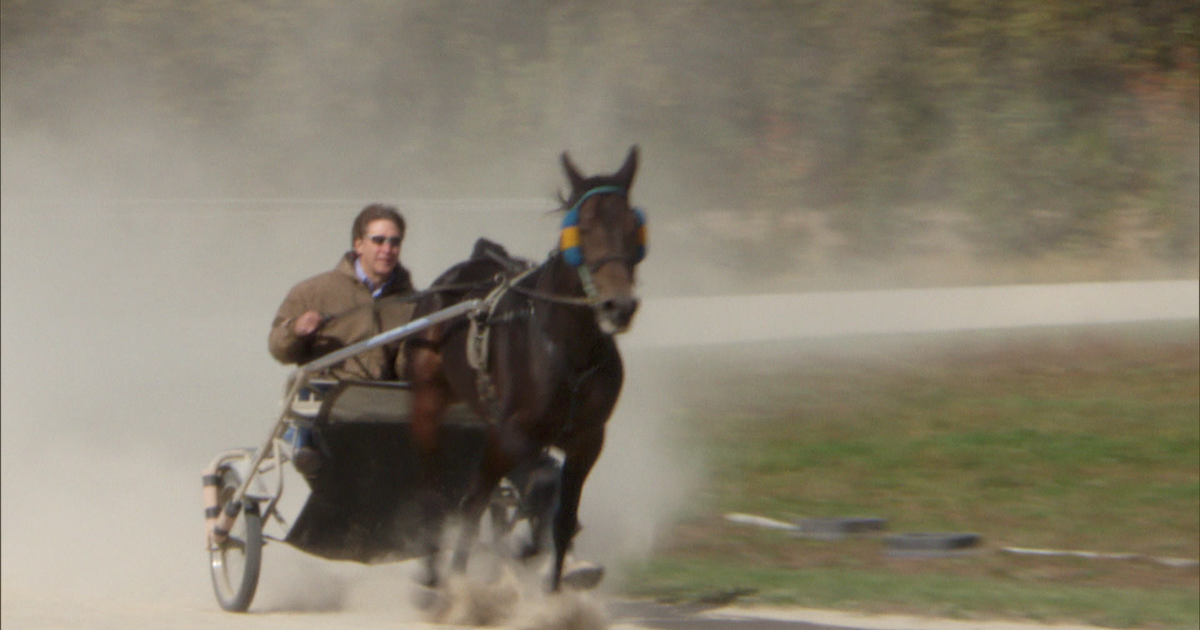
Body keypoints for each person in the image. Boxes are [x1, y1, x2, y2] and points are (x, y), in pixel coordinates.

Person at [268, 203, 417, 472]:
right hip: (326, 400)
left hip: (383, 406)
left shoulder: (413, 303)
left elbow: (407, 369)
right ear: (359, 245)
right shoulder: (313, 291)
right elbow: (278, 349)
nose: (387, 249)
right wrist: (296, 330)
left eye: (394, 242)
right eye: (379, 240)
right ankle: (304, 447)